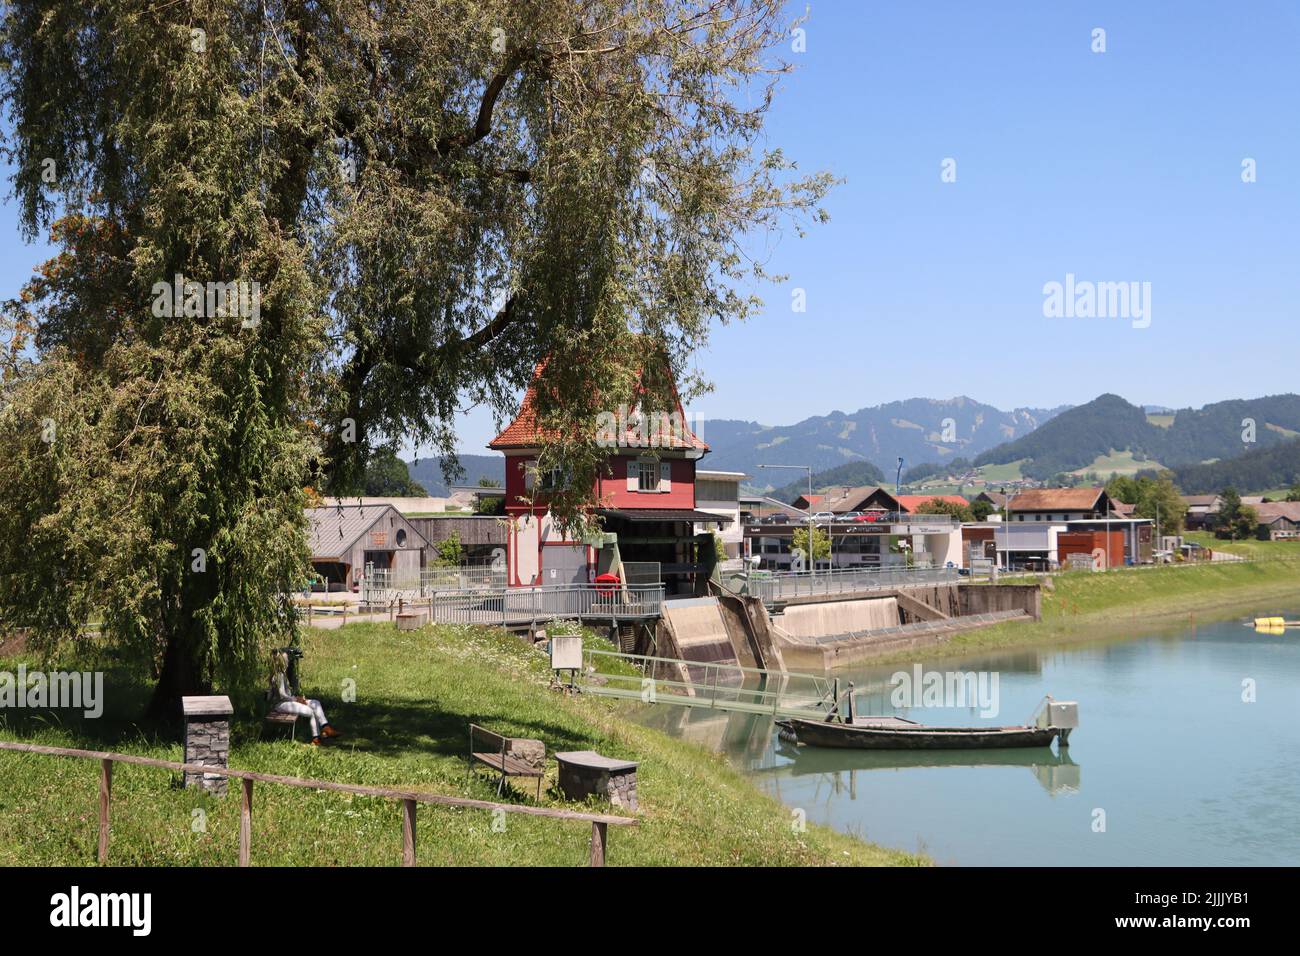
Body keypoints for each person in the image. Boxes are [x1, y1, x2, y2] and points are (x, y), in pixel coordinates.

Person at [268, 652, 341, 746]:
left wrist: (297, 698)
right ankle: (316, 739)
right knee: (310, 711)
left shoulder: (282, 674)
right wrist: (296, 699)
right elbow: (282, 695)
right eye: (285, 660)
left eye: (287, 660)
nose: (288, 662)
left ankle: (326, 728)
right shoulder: (279, 675)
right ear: (280, 662)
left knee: (315, 703)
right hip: (281, 704)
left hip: (288, 701)